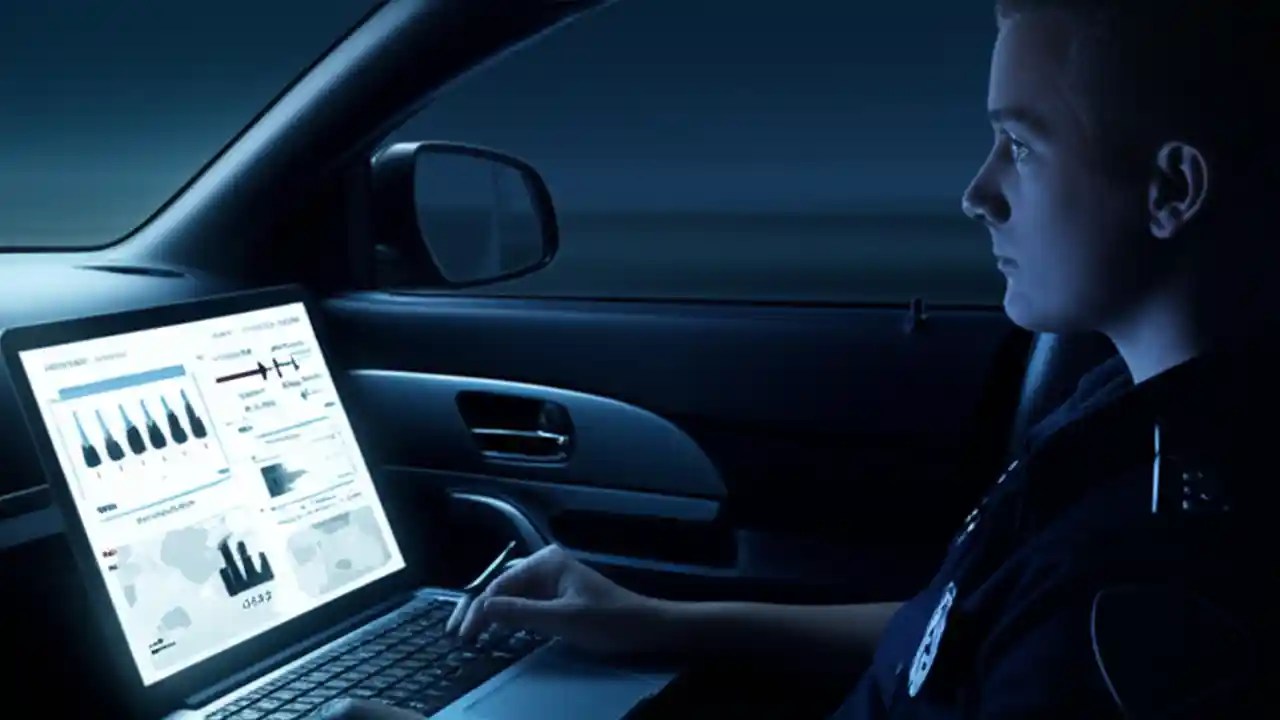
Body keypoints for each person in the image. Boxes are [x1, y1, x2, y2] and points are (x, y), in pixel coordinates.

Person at [317, 0, 1279, 717]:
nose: (977, 193)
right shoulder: (1128, 407)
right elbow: (949, 636)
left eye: (1019, 146)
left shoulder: (1150, 580)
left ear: (1171, 189)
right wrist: (657, 618)